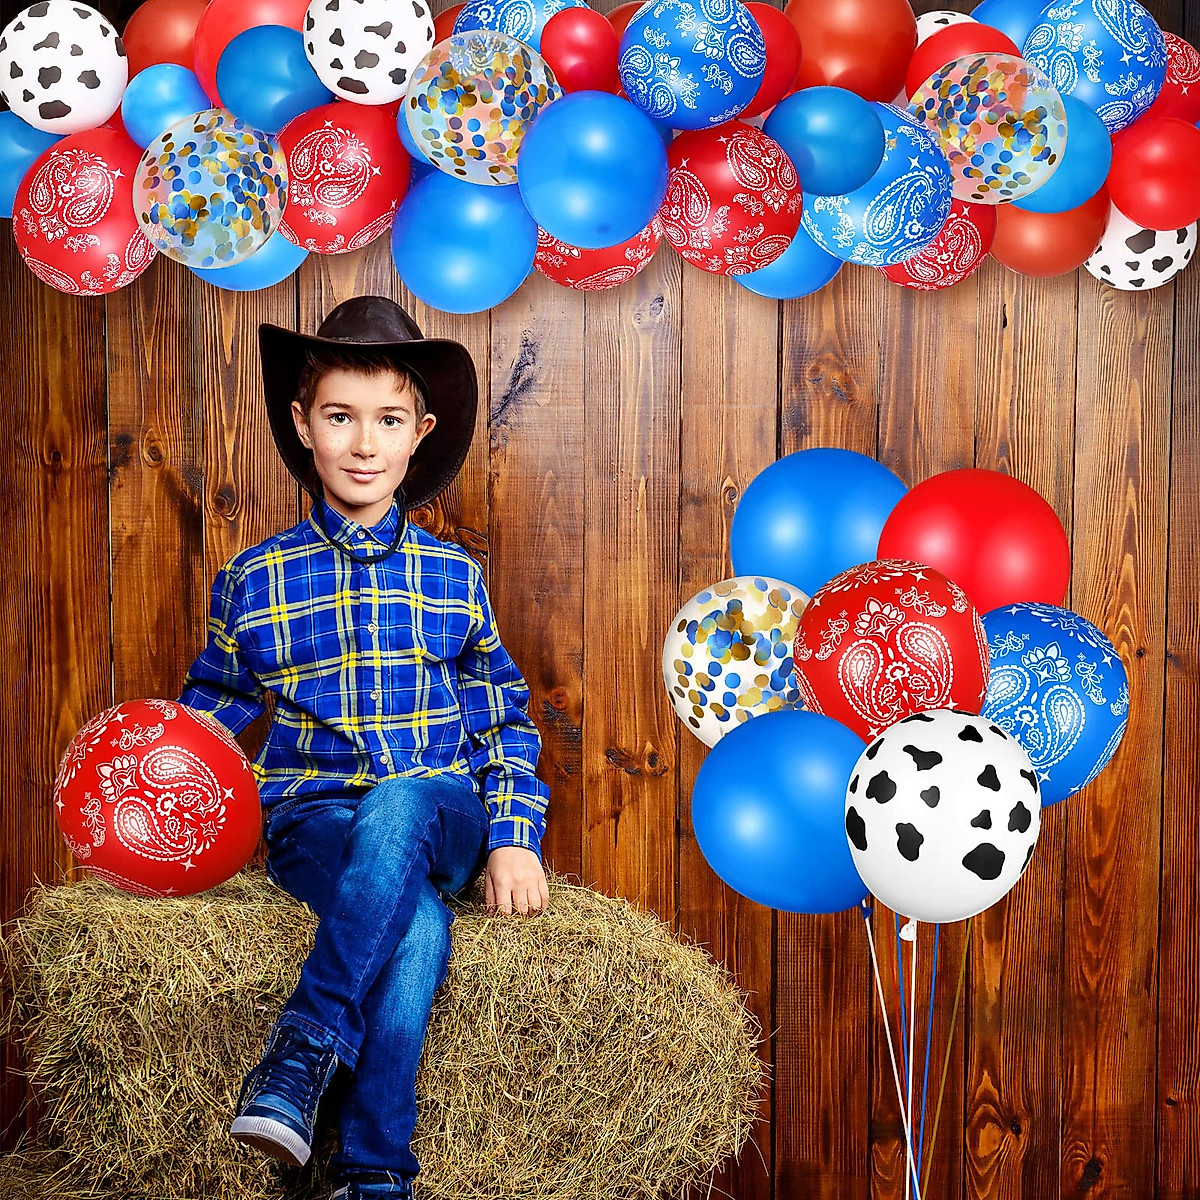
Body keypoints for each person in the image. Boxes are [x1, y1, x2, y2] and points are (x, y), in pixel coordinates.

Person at [176, 295, 550, 1199]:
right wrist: (152, 801)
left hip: (441, 810)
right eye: (340, 417)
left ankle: (301, 1051)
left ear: (419, 433)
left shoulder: (454, 578)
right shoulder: (253, 579)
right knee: (415, 923)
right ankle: (376, 1172)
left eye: (387, 421)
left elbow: (501, 718)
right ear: (304, 426)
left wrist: (511, 837)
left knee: (404, 801)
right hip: (317, 822)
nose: (364, 444)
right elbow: (210, 718)